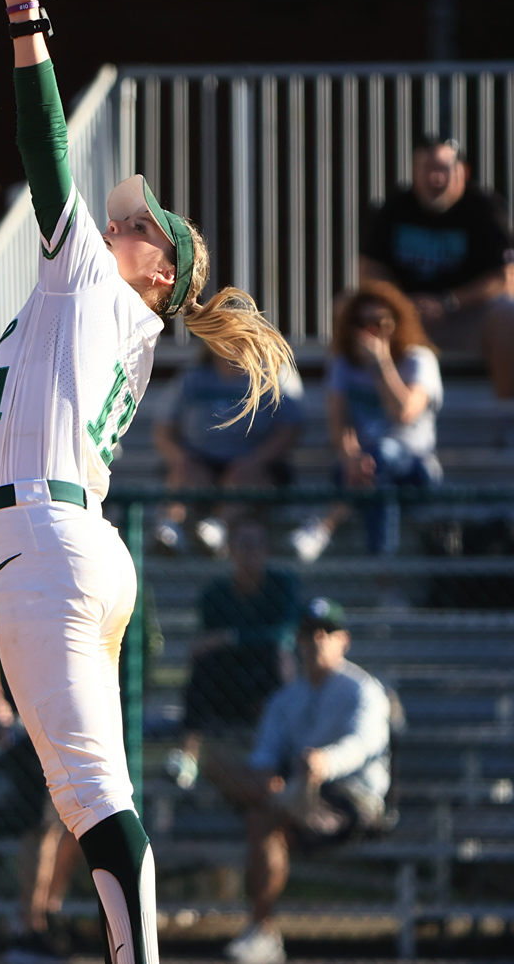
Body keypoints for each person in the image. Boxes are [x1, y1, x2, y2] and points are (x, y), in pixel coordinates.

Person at [0, 0, 294, 964]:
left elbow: (45, 153)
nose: (117, 221)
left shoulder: (96, 283)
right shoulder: (71, 311)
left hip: (46, 545)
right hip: (65, 541)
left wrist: (22, 12)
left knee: (91, 796)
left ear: (160, 273)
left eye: (138, 226)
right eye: (124, 218)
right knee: (82, 792)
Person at [200, 599, 393, 964]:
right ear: (298, 641)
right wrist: (265, 778)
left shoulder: (363, 690)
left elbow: (364, 745)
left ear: (344, 640)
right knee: (224, 773)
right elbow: (265, 756)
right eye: (308, 632)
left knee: (263, 819)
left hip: (353, 799)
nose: (317, 639)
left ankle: (262, 932)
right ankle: (262, 933)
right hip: (295, 793)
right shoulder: (285, 699)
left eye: (327, 631)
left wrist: (324, 762)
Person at [357, 133, 514, 401]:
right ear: (415, 172)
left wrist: (449, 302)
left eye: (443, 169)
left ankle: (509, 421)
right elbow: (369, 271)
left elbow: (507, 278)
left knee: (510, 311)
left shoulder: (485, 208)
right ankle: (361, 415)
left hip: (465, 317)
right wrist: (401, 303)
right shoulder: (395, 207)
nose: (435, 178)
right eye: (427, 169)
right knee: (348, 307)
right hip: (404, 318)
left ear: (463, 171)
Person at [0, 576, 84, 964]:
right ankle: (28, 926)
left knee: (74, 820)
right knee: (40, 823)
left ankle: (43, 917)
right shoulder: (11, 549)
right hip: (25, 716)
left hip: (76, 711)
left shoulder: (91, 553)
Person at [289, 281, 444, 562]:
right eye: (361, 323)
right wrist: (350, 457)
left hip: (415, 468)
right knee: (378, 488)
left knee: (381, 456)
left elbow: (405, 413)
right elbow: (339, 422)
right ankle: (385, 585)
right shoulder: (343, 363)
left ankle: (325, 524)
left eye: (379, 322)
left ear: (397, 322)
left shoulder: (419, 360)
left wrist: (381, 363)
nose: (369, 330)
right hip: (362, 469)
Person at [165, 518, 302, 791]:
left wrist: (231, 637)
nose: (250, 551)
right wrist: (235, 640)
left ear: (267, 549)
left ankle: (285, 749)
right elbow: (205, 645)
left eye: (257, 544)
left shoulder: (283, 585)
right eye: (243, 543)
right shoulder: (215, 593)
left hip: (267, 684)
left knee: (278, 657)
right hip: (228, 687)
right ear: (230, 548)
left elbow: (283, 635)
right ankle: (189, 753)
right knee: (203, 664)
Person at [150, 350, 306, 556]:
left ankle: (217, 529)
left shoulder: (274, 375)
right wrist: (181, 457)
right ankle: (170, 530)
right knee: (184, 471)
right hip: (201, 460)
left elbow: (291, 428)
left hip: (254, 463)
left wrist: (255, 459)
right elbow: (163, 429)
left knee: (245, 475)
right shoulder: (192, 377)